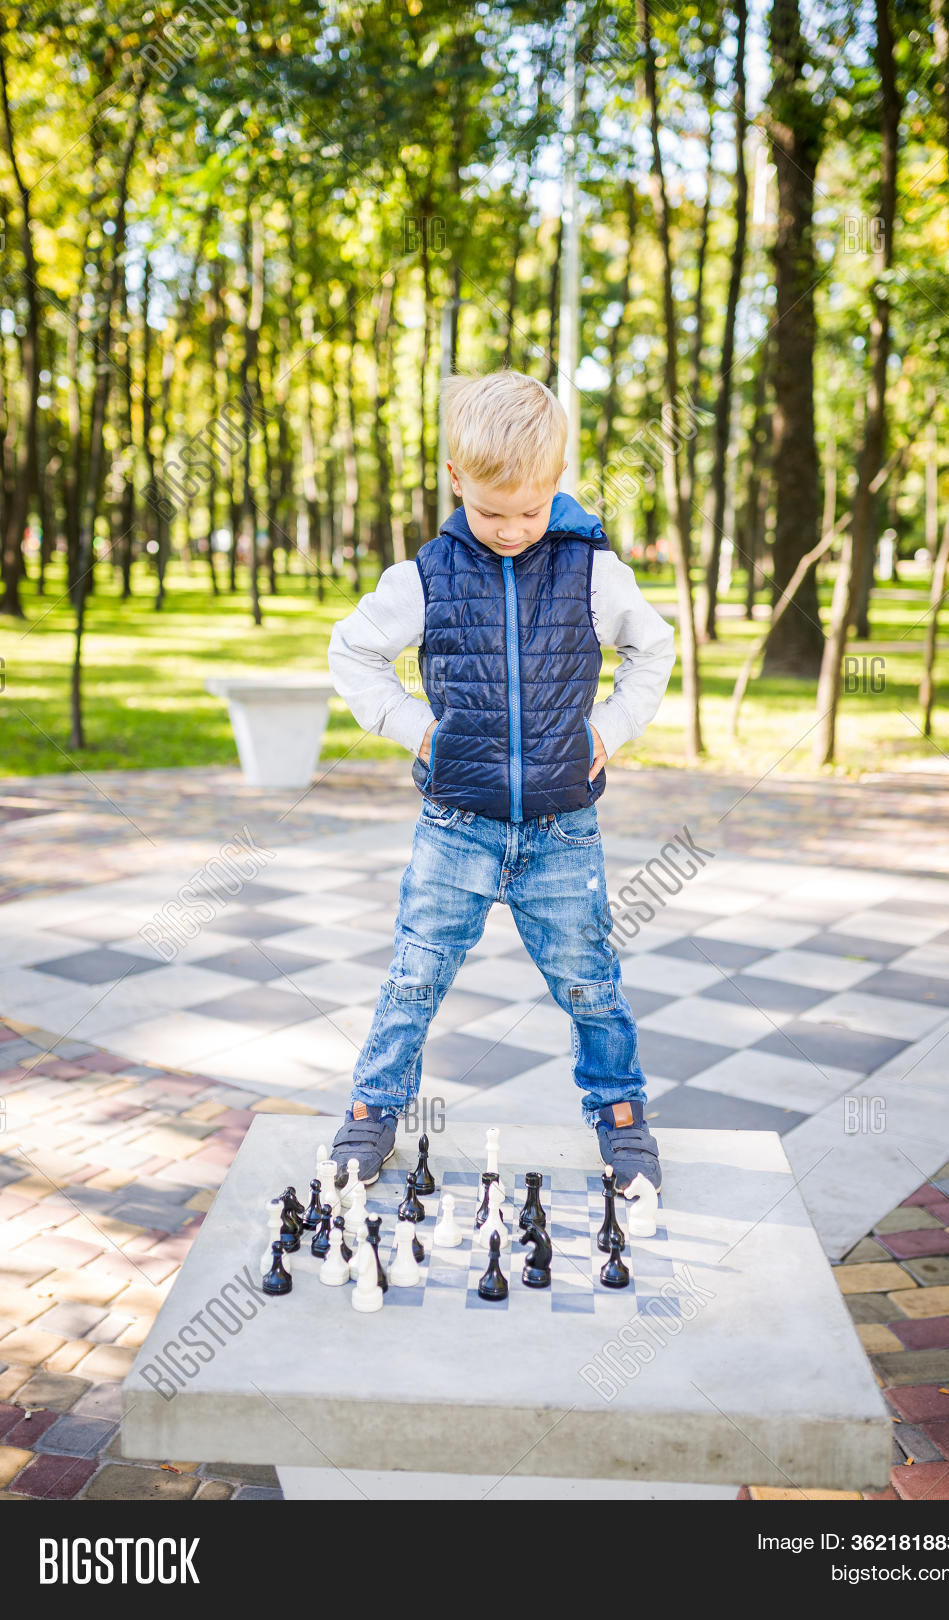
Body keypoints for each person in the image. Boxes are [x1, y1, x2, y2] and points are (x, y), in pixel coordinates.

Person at [326, 370, 675, 1192]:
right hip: (457, 826)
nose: (512, 529)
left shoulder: (592, 571)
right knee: (414, 974)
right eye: (491, 512)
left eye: (529, 509)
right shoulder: (425, 577)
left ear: (556, 484)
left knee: (591, 980)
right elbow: (352, 651)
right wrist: (419, 730)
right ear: (456, 480)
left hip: (562, 832)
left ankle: (621, 1115)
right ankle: (373, 1109)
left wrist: (610, 729)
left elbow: (654, 650)